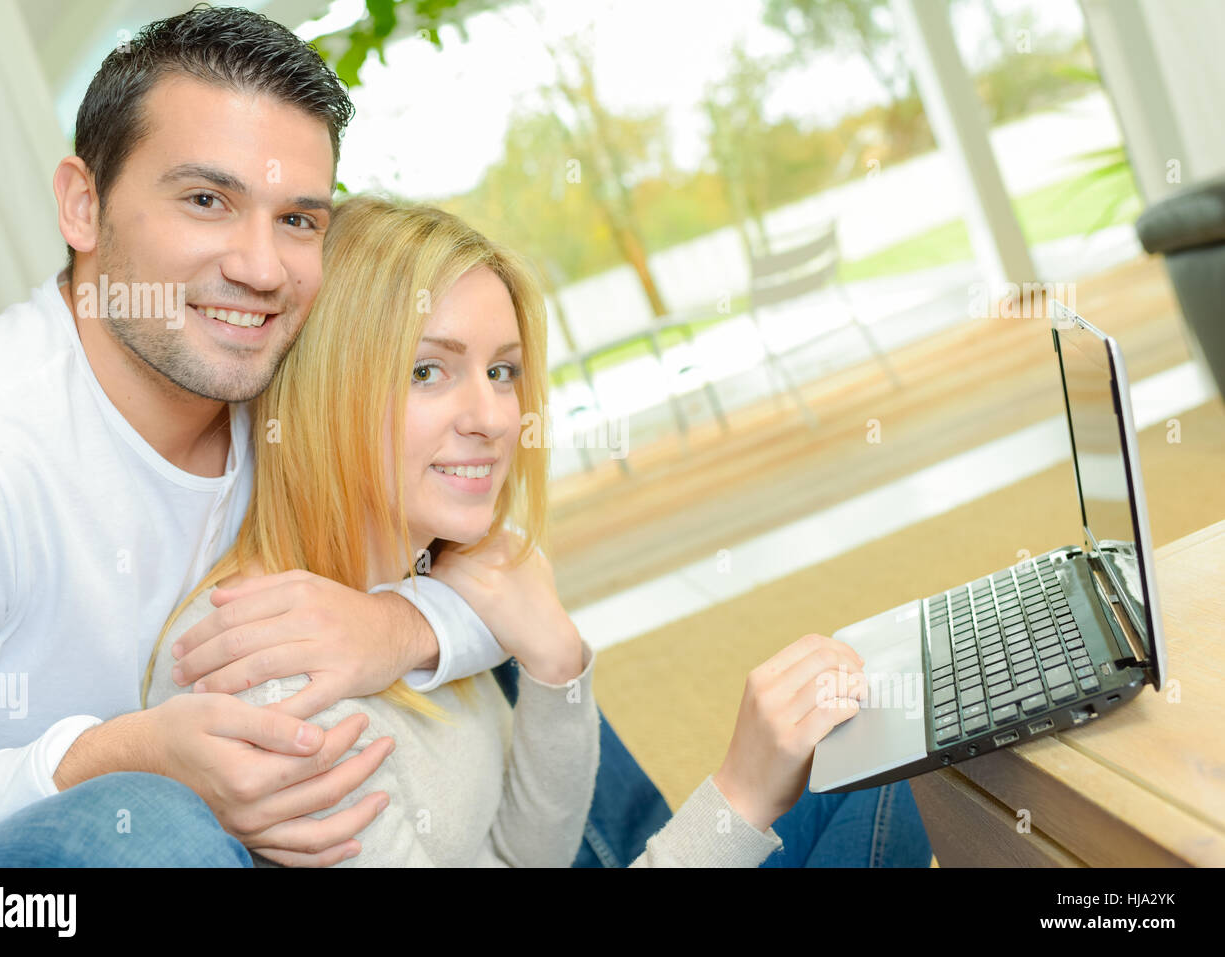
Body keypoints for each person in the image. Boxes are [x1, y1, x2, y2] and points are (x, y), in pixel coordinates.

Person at [143, 195, 923, 867]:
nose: (490, 417)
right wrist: (741, 794)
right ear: (324, 390)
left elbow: (528, 855)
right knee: (882, 777)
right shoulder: (268, 675)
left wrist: (554, 663)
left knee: (877, 741)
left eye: (502, 370)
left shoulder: (430, 575)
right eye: (428, 371)